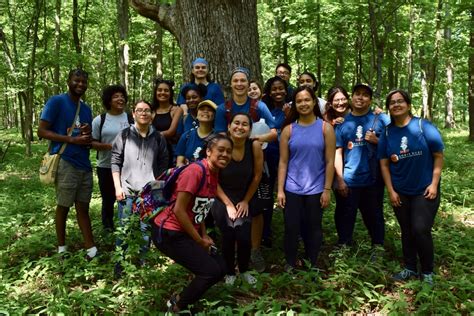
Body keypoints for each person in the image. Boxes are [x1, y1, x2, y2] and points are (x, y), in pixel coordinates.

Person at [152, 134, 233, 313]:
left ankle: (183, 297)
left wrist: (204, 235)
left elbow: (200, 208)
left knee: (221, 267)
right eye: (221, 150)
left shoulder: (214, 173)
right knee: (210, 271)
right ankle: (176, 306)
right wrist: (199, 241)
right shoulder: (195, 171)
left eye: (229, 151)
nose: (225, 154)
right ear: (209, 151)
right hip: (168, 232)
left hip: (187, 230)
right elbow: (179, 210)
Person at [378, 89, 444, 286]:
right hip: (400, 191)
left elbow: (438, 156)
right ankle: (409, 267)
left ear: (408, 104)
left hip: (425, 189)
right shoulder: (388, 132)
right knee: (406, 230)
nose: (396, 105)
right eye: (392, 102)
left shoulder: (424, 126)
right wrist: (390, 190)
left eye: (400, 101)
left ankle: (427, 272)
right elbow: (383, 163)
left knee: (420, 229)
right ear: (389, 107)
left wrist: (434, 184)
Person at [37, 68, 97, 259]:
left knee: (83, 207)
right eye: (76, 81)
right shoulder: (56, 102)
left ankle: (91, 249)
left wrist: (88, 134)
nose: (80, 84)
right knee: (63, 205)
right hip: (65, 161)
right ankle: (62, 248)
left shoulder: (86, 109)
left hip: (84, 164)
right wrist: (71, 140)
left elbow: (86, 138)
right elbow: (42, 131)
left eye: (83, 82)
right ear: (68, 81)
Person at [277, 86, 335, 272]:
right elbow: (283, 162)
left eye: (307, 100)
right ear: (295, 104)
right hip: (292, 187)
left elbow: (330, 161)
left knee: (313, 228)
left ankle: (311, 263)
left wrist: (327, 189)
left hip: (316, 188)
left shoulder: (326, 128)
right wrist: (280, 190)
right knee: (291, 227)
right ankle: (290, 263)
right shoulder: (288, 130)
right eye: (299, 101)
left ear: (314, 102)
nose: (303, 104)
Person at [111, 100, 168, 275]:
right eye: (139, 110)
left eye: (147, 110)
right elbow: (115, 161)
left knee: (145, 230)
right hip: (127, 191)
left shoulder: (158, 137)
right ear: (133, 114)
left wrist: (158, 191)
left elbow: (163, 165)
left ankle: (144, 266)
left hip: (149, 194)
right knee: (124, 229)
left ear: (152, 115)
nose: (143, 113)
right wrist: (117, 187)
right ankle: (119, 267)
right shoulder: (124, 135)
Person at [334, 83, 389, 256]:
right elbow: (337, 152)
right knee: (345, 214)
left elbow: (396, 143)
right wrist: (340, 179)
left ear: (370, 100)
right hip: (349, 179)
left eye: (365, 95)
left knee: (374, 214)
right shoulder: (343, 123)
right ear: (352, 97)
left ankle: (378, 246)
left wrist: (377, 141)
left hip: (373, 178)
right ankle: (344, 245)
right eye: (357, 94)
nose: (360, 98)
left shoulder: (380, 119)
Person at [212, 113, 263, 285]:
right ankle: (229, 273)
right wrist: (227, 204)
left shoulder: (253, 146)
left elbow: (257, 176)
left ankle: (244, 270)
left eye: (244, 124)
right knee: (228, 232)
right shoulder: (221, 145)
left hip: (244, 196)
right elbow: (213, 179)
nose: (239, 127)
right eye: (236, 123)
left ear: (249, 130)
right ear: (229, 126)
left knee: (243, 235)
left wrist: (245, 201)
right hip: (221, 196)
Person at [91, 84, 132, 231]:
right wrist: (110, 146)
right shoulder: (100, 120)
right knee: (108, 199)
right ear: (109, 100)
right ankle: (108, 227)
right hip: (105, 165)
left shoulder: (130, 117)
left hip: (128, 167)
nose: (120, 99)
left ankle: (127, 226)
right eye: (116, 96)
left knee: (127, 198)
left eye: (122, 96)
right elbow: (92, 142)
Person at [259, 76, 289, 249]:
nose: (278, 92)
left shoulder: (293, 107)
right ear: (269, 92)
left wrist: (289, 115)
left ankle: (292, 234)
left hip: (289, 159)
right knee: (266, 195)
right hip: (268, 158)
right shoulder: (265, 110)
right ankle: (266, 234)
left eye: (281, 88)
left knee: (288, 196)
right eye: (274, 89)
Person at [214, 67, 277, 144]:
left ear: (248, 84)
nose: (239, 84)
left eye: (243, 80)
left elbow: (274, 133)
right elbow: (220, 136)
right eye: (235, 81)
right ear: (231, 84)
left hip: (254, 150)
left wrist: (256, 139)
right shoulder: (222, 109)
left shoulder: (260, 106)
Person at [151, 78, 183, 167]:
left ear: (170, 93)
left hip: (170, 150)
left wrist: (151, 136)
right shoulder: (151, 111)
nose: (163, 93)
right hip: (151, 150)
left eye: (166, 90)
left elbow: (170, 132)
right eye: (159, 90)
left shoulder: (177, 110)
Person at [176, 100, 217, 167]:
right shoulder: (186, 136)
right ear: (197, 115)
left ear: (214, 115)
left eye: (209, 110)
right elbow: (179, 163)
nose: (205, 111)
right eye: (202, 109)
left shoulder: (218, 138)